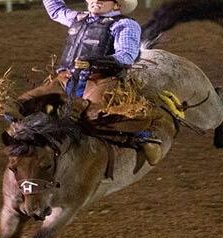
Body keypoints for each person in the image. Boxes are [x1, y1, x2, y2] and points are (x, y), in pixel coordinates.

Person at [18, 0, 165, 165]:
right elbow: (56, 10)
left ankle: (142, 135)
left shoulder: (125, 24)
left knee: (98, 116)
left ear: (117, 5)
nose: (96, 0)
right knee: (24, 103)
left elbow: (126, 56)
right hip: (67, 78)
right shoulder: (78, 18)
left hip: (101, 78)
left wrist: (94, 62)